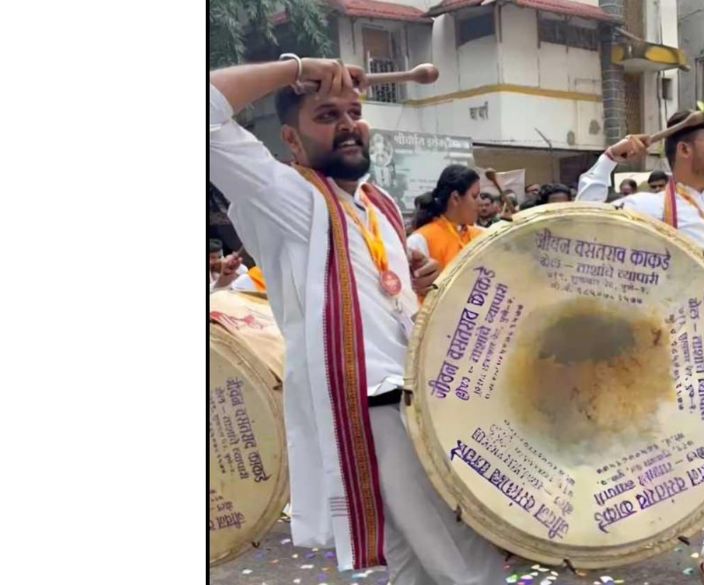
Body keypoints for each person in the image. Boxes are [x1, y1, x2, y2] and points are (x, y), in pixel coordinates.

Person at [209, 56, 505, 584]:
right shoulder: (290, 197)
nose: (348, 124)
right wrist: (298, 68)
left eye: (353, 111)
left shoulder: (379, 204)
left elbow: (383, 303)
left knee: (413, 566)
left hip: (418, 401)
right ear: (291, 141)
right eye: (326, 114)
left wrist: (411, 288)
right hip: (375, 409)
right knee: (466, 563)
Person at [577, 110, 704, 585]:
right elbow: (584, 219)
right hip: (682, 353)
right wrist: (606, 162)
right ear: (683, 149)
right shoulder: (647, 206)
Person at [407, 164, 486, 277]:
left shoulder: (483, 235)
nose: (480, 202)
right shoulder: (419, 241)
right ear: (455, 198)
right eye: (474, 196)